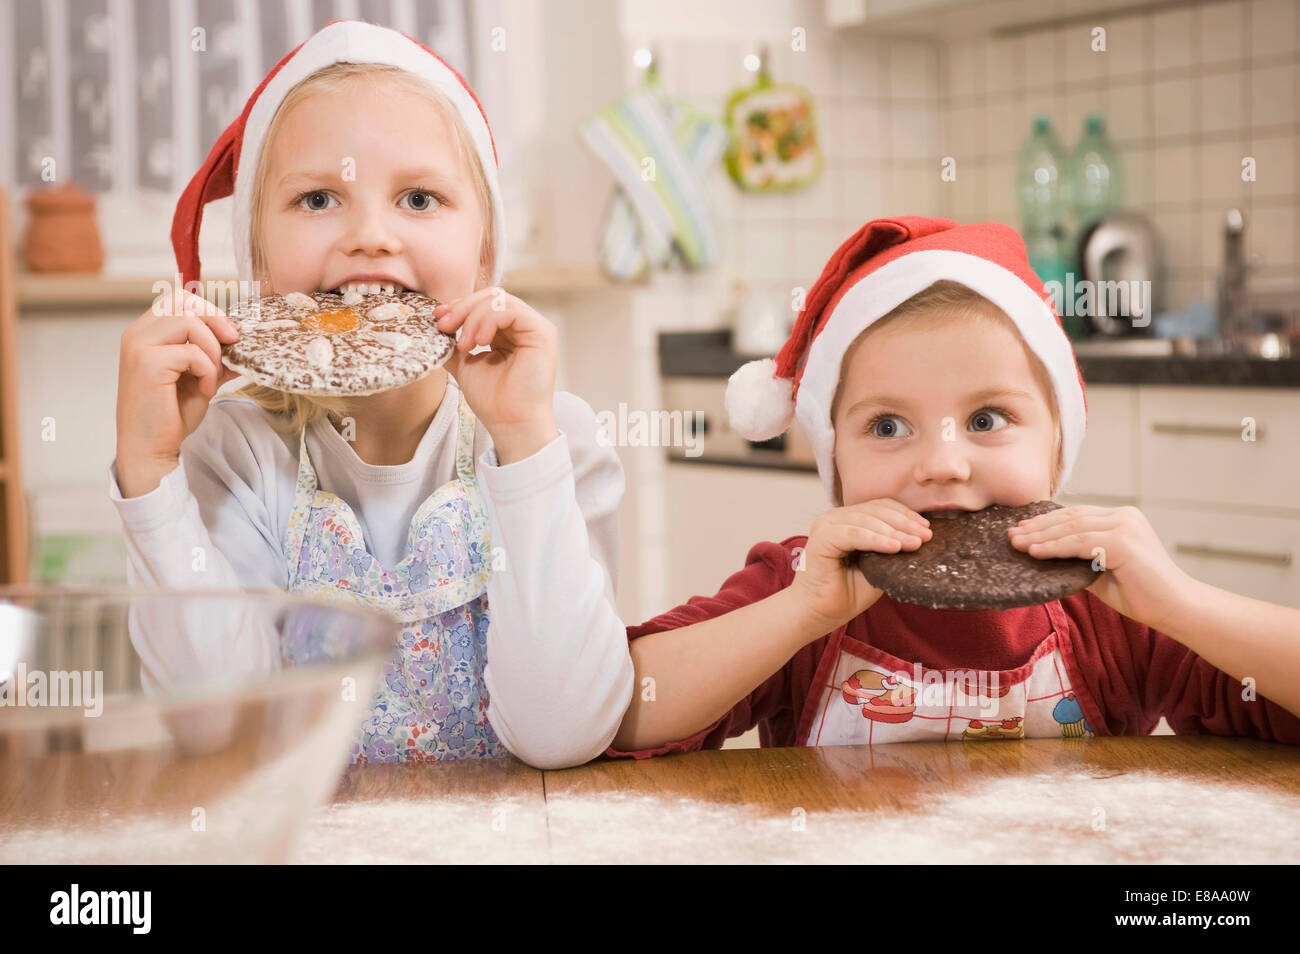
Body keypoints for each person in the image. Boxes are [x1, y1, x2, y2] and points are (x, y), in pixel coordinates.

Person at [110, 19, 632, 768]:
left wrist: (522, 448)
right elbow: (224, 733)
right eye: (318, 199)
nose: (371, 237)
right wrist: (150, 475)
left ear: (485, 255)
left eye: (419, 199)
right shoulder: (233, 454)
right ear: (256, 260)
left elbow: (563, 733)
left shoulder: (555, 439)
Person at [607, 216, 1300, 757]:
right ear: (834, 461)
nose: (944, 464)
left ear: (1060, 445)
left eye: (987, 418)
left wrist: (1182, 605)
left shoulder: (1114, 607)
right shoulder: (801, 585)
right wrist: (798, 614)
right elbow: (615, 708)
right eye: (886, 426)